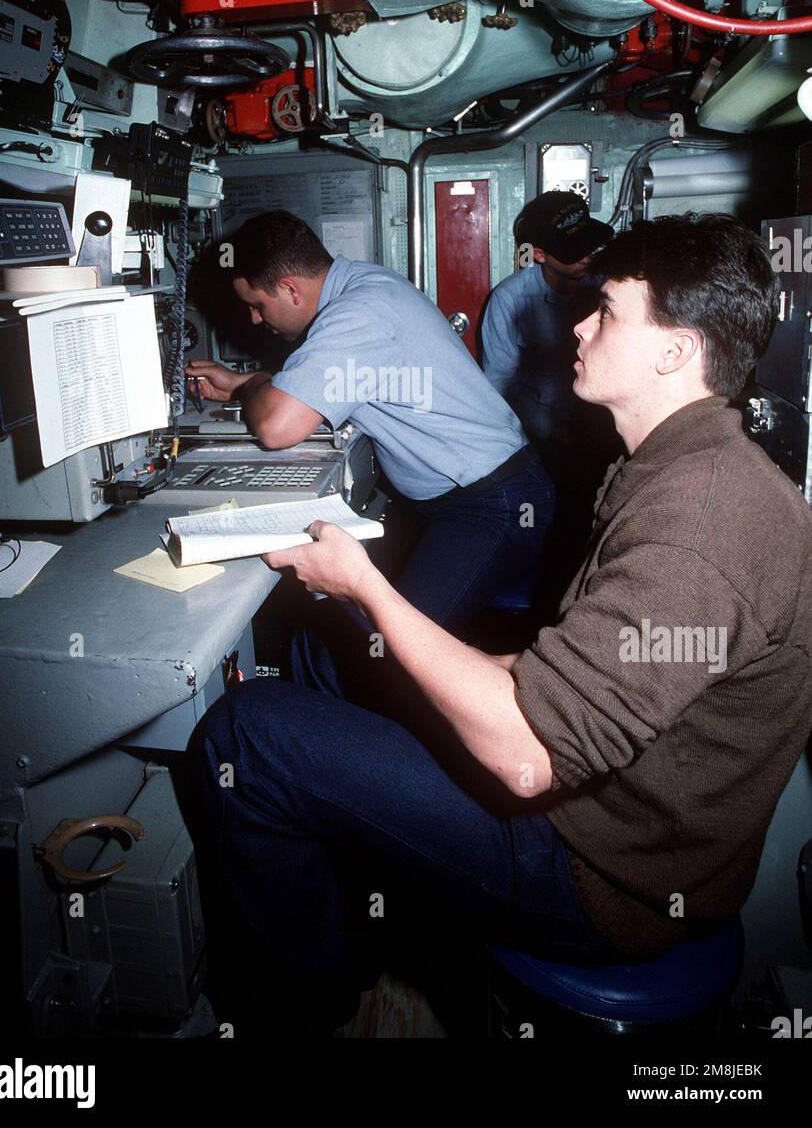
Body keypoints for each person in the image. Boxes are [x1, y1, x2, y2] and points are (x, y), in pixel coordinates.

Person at [185, 212, 812, 1037]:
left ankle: (302, 1019)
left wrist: (366, 590)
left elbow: (528, 760)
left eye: (610, 312)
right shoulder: (690, 467)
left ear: (675, 351)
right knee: (374, 687)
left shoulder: (698, 523)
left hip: (596, 877)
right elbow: (596, 670)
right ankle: (343, 936)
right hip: (617, 829)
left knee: (249, 734)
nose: (579, 324)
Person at [186, 210, 555, 634]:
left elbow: (276, 426)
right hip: (461, 498)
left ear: (289, 289)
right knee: (331, 621)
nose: (255, 319)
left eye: (257, 305)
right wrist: (241, 385)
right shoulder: (367, 286)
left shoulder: (358, 312)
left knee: (384, 648)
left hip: (493, 505)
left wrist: (252, 389)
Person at [481, 191, 618, 607]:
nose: (586, 258)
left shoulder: (606, 291)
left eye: (587, 244)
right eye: (571, 251)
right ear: (538, 254)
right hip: (543, 443)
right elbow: (499, 386)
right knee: (554, 539)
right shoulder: (509, 300)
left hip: (604, 433)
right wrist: (552, 430)